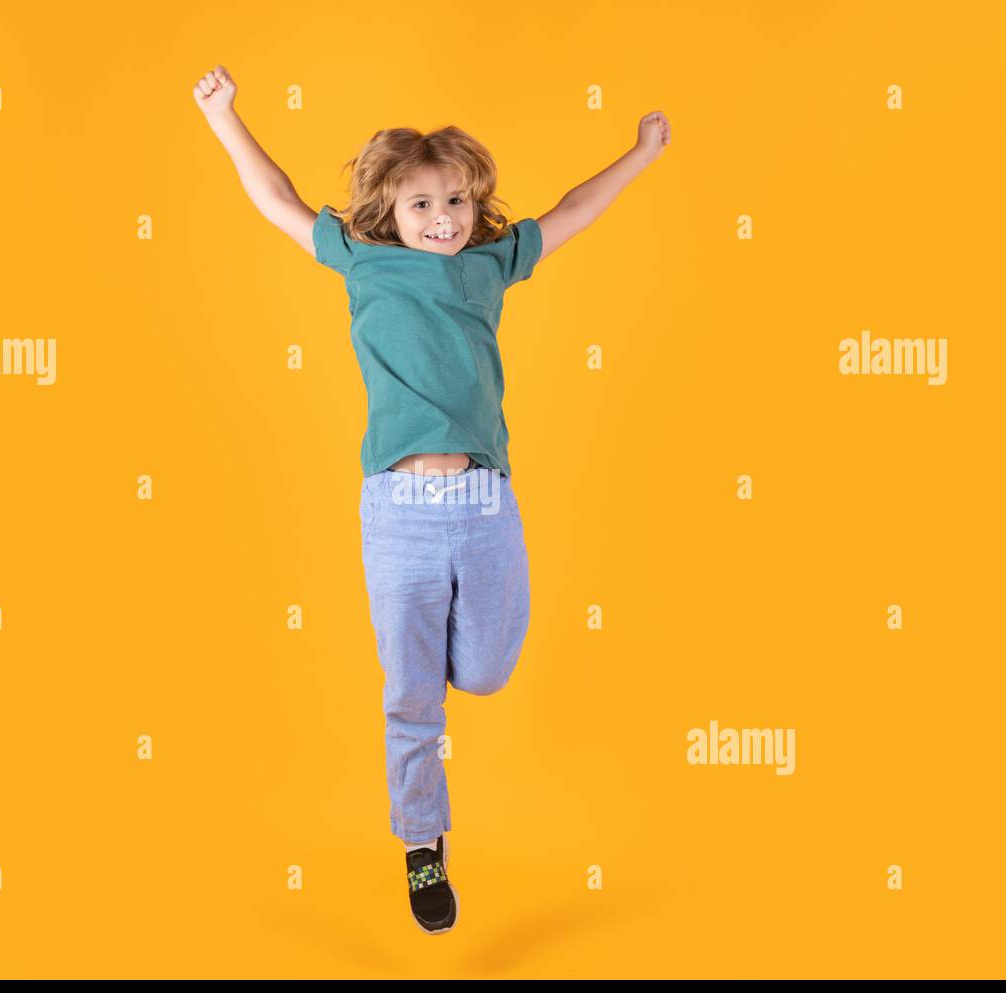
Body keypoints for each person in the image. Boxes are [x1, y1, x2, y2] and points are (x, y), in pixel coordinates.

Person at [193, 64, 670, 934]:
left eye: (454, 200)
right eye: (421, 205)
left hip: (486, 504)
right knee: (410, 696)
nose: (442, 218)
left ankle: (444, 646)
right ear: (388, 210)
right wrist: (227, 118)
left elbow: (570, 210)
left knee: (482, 673)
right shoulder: (360, 260)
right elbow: (278, 197)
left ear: (474, 203)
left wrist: (639, 155)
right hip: (399, 515)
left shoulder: (492, 261)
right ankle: (422, 846)